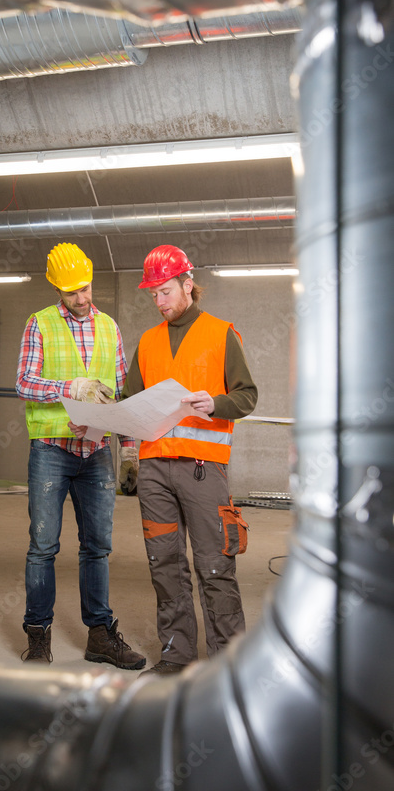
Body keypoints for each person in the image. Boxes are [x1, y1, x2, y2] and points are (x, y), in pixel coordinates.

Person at [122, 244, 257, 676]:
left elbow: (247, 396)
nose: (159, 302)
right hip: (156, 468)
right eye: (153, 295)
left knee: (215, 565)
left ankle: (228, 665)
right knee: (165, 565)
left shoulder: (221, 334)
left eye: (164, 291)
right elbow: (131, 401)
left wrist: (214, 403)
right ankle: (177, 656)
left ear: (187, 284)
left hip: (203, 469)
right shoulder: (147, 341)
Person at [15, 242, 145, 670]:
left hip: (96, 455)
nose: (82, 298)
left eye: (86, 288)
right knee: (43, 548)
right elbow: (24, 383)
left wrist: (128, 451)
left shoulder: (109, 326)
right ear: (57, 288)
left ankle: (100, 636)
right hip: (51, 451)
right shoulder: (40, 325)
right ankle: (38, 635)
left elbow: (121, 393)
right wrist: (69, 388)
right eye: (72, 292)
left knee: (97, 548)